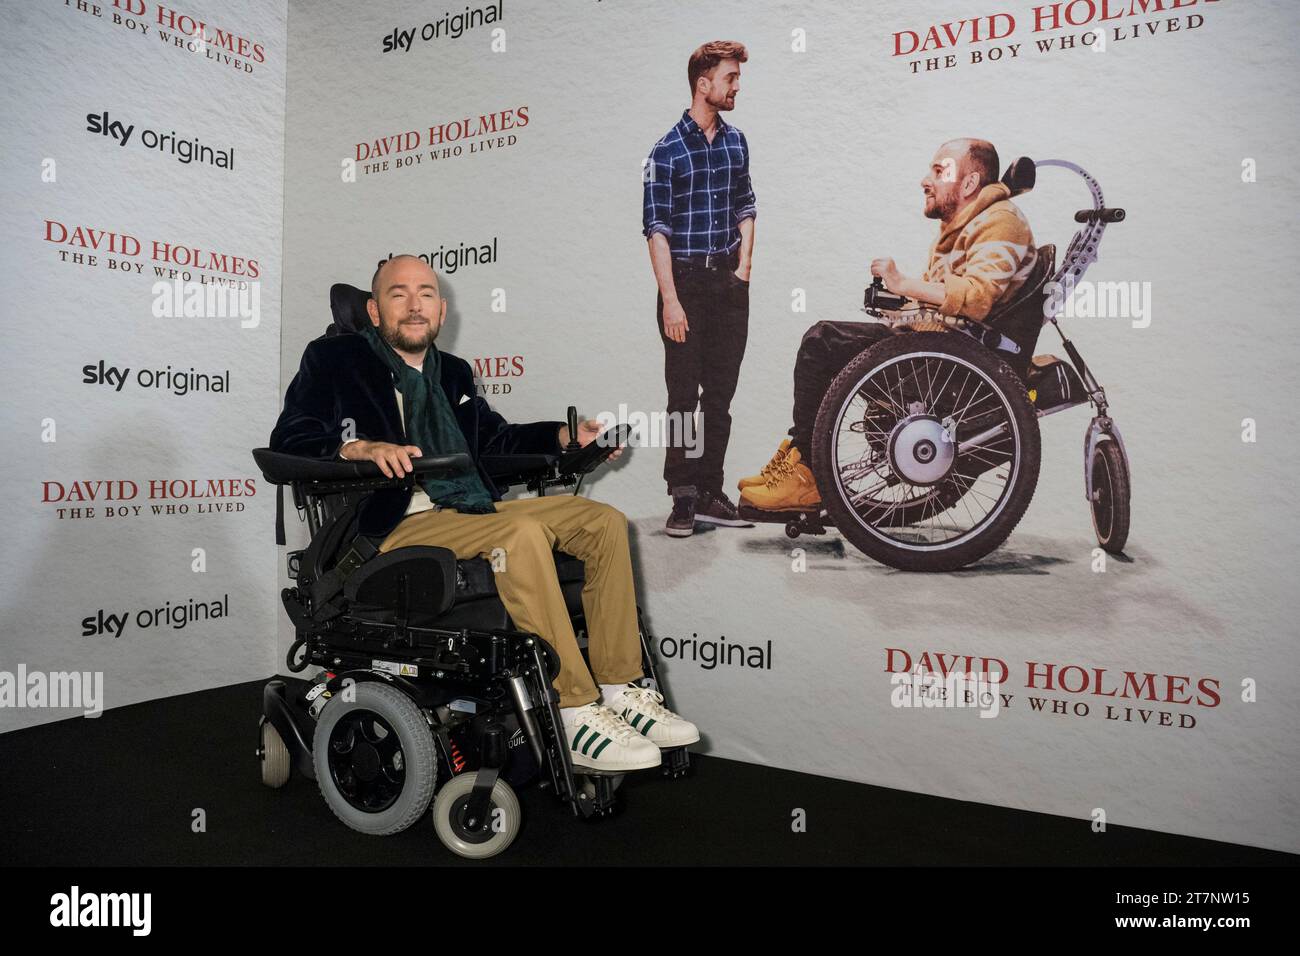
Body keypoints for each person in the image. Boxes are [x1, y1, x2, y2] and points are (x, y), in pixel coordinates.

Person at [270, 255, 699, 772]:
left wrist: (565, 437)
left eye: (426, 294)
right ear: (374, 310)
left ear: (441, 309)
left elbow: (493, 442)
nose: (414, 305)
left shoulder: (451, 372)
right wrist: (355, 448)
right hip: (391, 523)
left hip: (463, 509)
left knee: (601, 520)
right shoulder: (335, 358)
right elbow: (289, 439)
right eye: (398, 294)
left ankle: (619, 686)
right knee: (519, 532)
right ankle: (571, 705)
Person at [739, 138, 1038, 512]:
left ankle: (808, 473)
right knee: (824, 339)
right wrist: (902, 307)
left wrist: (904, 284)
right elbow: (948, 300)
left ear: (969, 183)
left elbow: (977, 298)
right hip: (941, 350)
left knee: (823, 342)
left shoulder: (1000, 221)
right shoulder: (967, 225)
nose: (925, 181)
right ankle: (799, 458)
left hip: (955, 367)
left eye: (939, 171)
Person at [643, 39, 757, 538]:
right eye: (731, 78)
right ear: (703, 83)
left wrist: (744, 270)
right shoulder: (665, 151)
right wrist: (671, 300)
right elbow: (656, 230)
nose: (737, 87)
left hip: (728, 283)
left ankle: (711, 491)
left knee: (720, 397)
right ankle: (683, 496)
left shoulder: (736, 142)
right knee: (682, 399)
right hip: (684, 285)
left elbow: (746, 206)